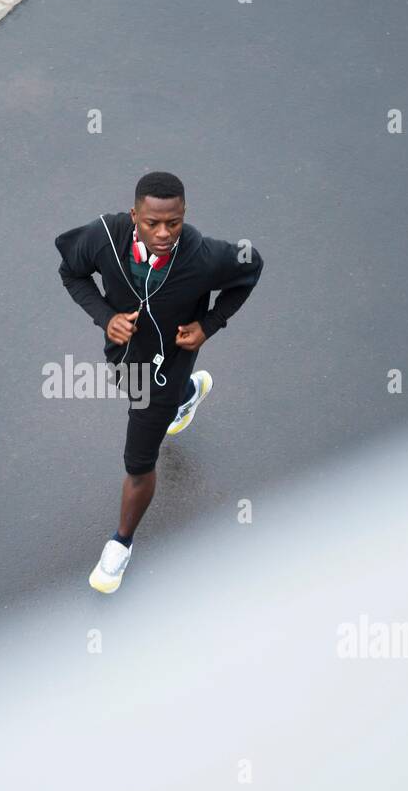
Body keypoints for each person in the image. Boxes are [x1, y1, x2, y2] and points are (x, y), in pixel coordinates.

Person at [55, 171, 264, 592]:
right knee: (138, 391)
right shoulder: (103, 237)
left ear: (184, 215)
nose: (164, 233)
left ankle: (121, 543)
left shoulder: (204, 256)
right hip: (125, 358)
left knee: (138, 461)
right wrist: (105, 317)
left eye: (174, 222)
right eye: (153, 223)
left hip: (169, 365)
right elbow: (71, 273)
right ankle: (189, 396)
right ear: (135, 215)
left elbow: (251, 266)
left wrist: (210, 323)